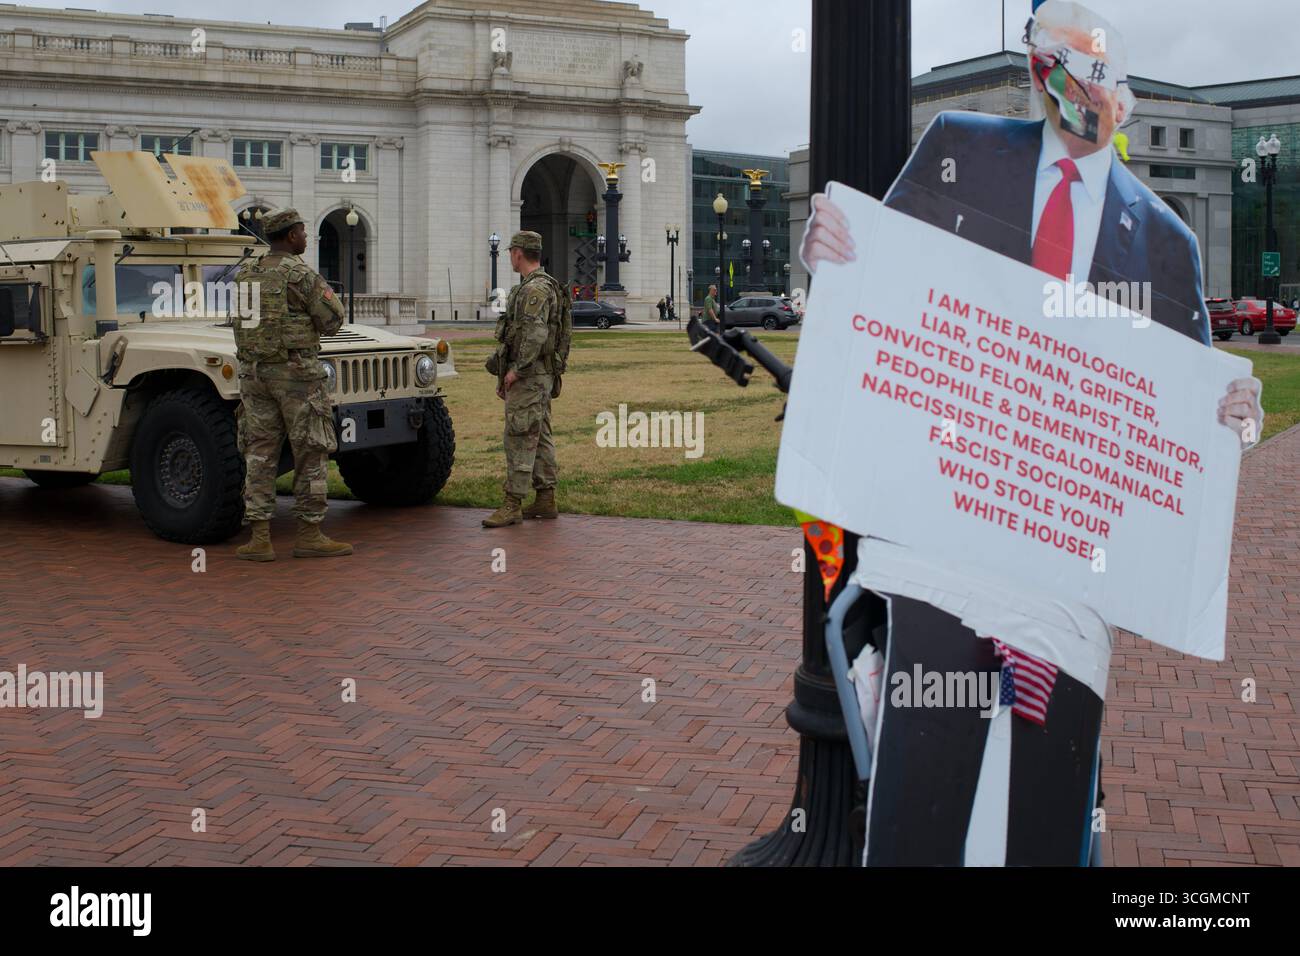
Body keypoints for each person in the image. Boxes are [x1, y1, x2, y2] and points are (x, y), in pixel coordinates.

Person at [800, 0, 1263, 865]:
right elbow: (881, 272)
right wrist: (825, 251)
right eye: (1073, 70)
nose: (1091, 93)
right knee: (922, 799)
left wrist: (1237, 418)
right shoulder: (959, 150)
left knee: (1044, 809)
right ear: (1043, 76)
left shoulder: (1163, 241)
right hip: (950, 539)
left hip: (1071, 580)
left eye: (1107, 77)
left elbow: (1195, 400)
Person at [233, 208, 351, 561]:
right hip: (296, 375)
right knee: (311, 450)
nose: (305, 237)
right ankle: (309, 533)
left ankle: (259, 538)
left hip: (255, 375)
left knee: (259, 453)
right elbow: (333, 319)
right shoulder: (299, 274)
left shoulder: (246, 273)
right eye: (301, 231)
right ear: (289, 236)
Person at [483, 231, 562, 528]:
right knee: (539, 434)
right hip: (541, 375)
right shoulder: (542, 285)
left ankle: (512, 502)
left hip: (530, 376)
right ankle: (545, 497)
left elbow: (535, 334)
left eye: (511, 252)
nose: (509, 257)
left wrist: (517, 370)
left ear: (519, 253)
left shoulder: (534, 290)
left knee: (519, 436)